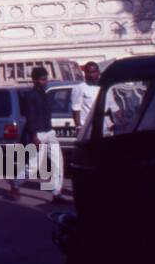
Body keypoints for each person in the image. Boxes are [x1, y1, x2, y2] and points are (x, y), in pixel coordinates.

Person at [12, 67, 65, 202]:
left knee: (57, 163)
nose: (45, 81)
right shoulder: (30, 96)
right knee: (33, 166)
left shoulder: (46, 95)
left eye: (46, 78)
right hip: (38, 134)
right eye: (42, 79)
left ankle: (56, 194)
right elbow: (30, 117)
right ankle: (16, 183)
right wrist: (34, 136)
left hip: (49, 132)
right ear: (35, 80)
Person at [72, 62, 102, 131]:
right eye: (88, 72)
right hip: (88, 128)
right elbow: (76, 109)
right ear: (85, 74)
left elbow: (113, 107)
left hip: (104, 127)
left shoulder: (103, 87)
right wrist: (78, 127)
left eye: (94, 72)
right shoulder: (80, 88)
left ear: (98, 72)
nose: (91, 75)